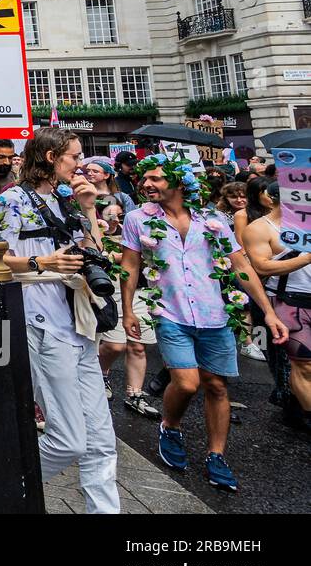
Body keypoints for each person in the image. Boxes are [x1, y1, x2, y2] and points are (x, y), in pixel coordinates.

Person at [119, 155, 288, 492]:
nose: (146, 184)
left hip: (215, 315)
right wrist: (128, 310)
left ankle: (216, 455)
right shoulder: (138, 219)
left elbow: (239, 264)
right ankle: (170, 425)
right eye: (144, 179)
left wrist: (268, 311)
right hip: (171, 313)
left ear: (179, 183)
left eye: (155, 179)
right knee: (186, 383)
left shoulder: (211, 219)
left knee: (216, 386)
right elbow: (131, 265)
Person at [0, 127, 119, 514]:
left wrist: (88, 211)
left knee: (101, 441)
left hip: (80, 323)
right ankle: (4, 488)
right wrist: (41, 262)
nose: (80, 165)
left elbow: (96, 257)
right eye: (74, 156)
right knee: (68, 440)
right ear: (51, 158)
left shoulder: (68, 200)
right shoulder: (13, 200)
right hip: (42, 322)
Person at [239, 176, 311, 434]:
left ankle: (291, 400)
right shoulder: (260, 228)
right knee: (304, 363)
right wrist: (306, 258)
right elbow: (262, 266)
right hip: (287, 301)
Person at [94, 201, 159, 418]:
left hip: (138, 289)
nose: (116, 221)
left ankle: (135, 394)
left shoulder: (135, 229)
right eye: (110, 216)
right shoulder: (95, 231)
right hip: (110, 289)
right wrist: (124, 256)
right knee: (115, 346)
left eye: (120, 216)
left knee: (138, 346)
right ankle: (101, 374)